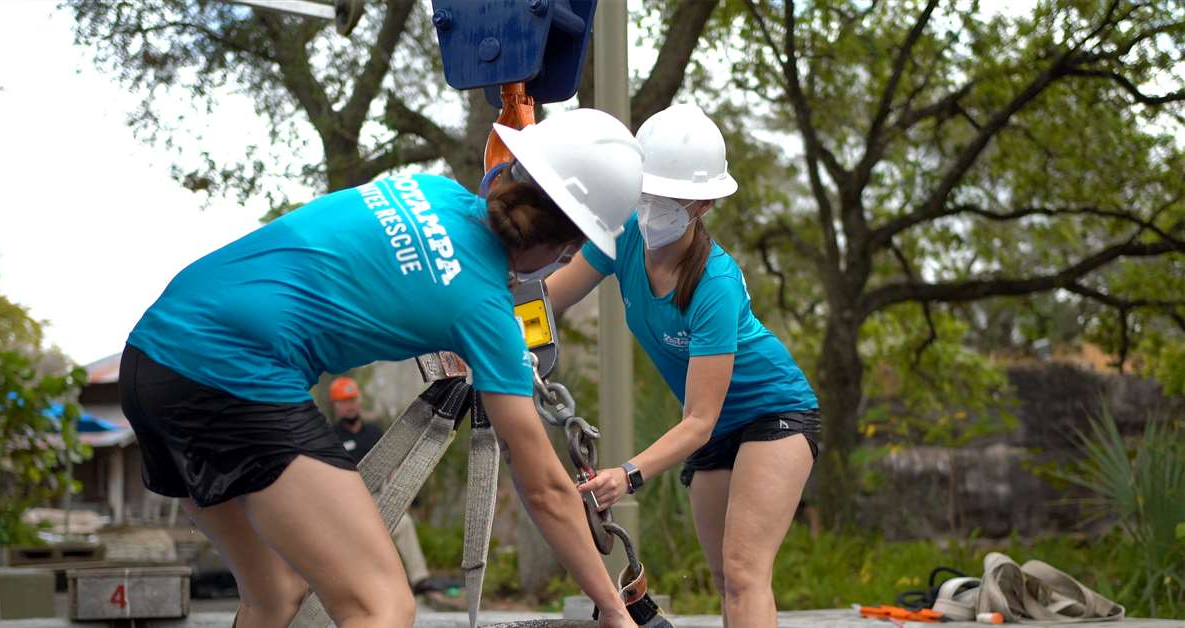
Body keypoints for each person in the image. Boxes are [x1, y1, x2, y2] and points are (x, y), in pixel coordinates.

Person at [118, 108, 644, 628]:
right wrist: (614, 609)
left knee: (275, 595)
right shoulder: (484, 310)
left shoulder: (425, 189)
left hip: (150, 359)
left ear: (508, 173)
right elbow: (546, 490)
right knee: (381, 606)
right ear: (565, 243)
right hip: (235, 373)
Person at [546, 103, 821, 628]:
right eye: (646, 190)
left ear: (704, 202)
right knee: (723, 579)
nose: (652, 206)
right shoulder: (624, 235)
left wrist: (627, 474)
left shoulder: (713, 284)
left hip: (774, 414)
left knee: (744, 574)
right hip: (713, 431)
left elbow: (699, 420)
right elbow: (548, 300)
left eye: (669, 196)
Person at [326, 375, 451, 599]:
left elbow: (392, 462)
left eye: (352, 399)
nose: (349, 405)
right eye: (343, 401)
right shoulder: (331, 436)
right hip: (348, 502)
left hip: (378, 495)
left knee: (403, 524)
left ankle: (419, 579)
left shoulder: (374, 431)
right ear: (335, 405)